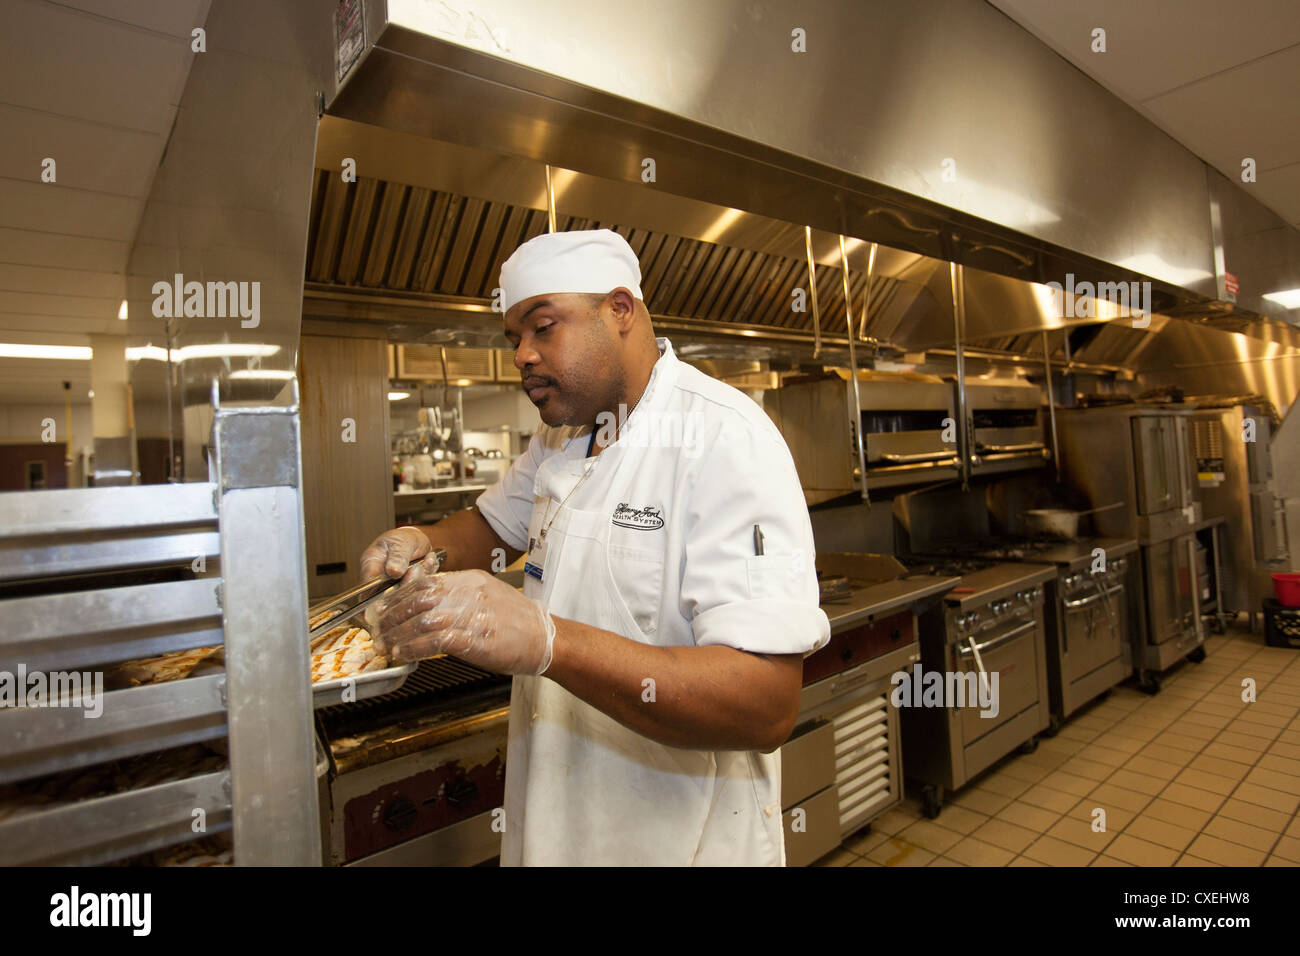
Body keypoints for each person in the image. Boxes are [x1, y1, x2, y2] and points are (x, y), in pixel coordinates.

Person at [360, 228, 830, 865]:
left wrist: (546, 641)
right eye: (513, 339)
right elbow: (490, 528)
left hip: (683, 843)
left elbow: (765, 704)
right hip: (560, 831)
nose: (522, 355)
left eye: (542, 326)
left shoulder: (721, 437)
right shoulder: (562, 437)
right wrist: (420, 543)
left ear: (620, 310)